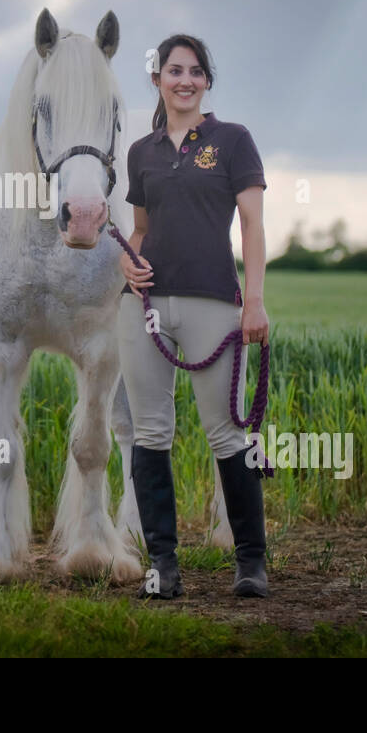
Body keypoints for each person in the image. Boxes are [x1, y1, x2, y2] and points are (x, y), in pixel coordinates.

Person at [118, 33, 270, 599]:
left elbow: (253, 226)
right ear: (157, 78)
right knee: (150, 433)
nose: (185, 80)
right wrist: (126, 265)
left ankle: (250, 562)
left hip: (214, 303)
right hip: (146, 310)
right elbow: (139, 229)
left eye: (196, 71)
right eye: (173, 70)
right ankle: (163, 565)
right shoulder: (142, 151)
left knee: (228, 434)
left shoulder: (233, 140)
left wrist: (253, 300)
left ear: (207, 80)